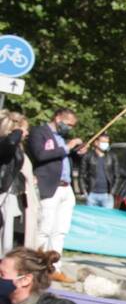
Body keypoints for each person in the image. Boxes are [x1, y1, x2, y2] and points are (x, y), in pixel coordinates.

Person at [25, 108, 86, 282]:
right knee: (44, 228)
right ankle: (36, 267)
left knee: (60, 231)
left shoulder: (62, 138)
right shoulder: (39, 132)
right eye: (68, 124)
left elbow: (66, 159)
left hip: (66, 188)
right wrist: (67, 147)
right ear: (58, 118)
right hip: (49, 186)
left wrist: (78, 153)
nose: (69, 129)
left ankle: (54, 268)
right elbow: (41, 155)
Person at [0, 111, 30, 260]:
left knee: (6, 230)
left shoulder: (16, 146)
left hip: (8, 193)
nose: (26, 133)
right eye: (25, 129)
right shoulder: (5, 142)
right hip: (1, 191)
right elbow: (10, 143)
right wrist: (18, 130)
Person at [78, 134, 118, 208]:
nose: (105, 144)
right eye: (103, 141)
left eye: (107, 142)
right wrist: (84, 192)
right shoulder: (87, 156)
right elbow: (81, 175)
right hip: (91, 195)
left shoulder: (112, 157)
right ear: (96, 142)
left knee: (106, 218)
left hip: (107, 195)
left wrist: (112, 192)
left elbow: (116, 176)